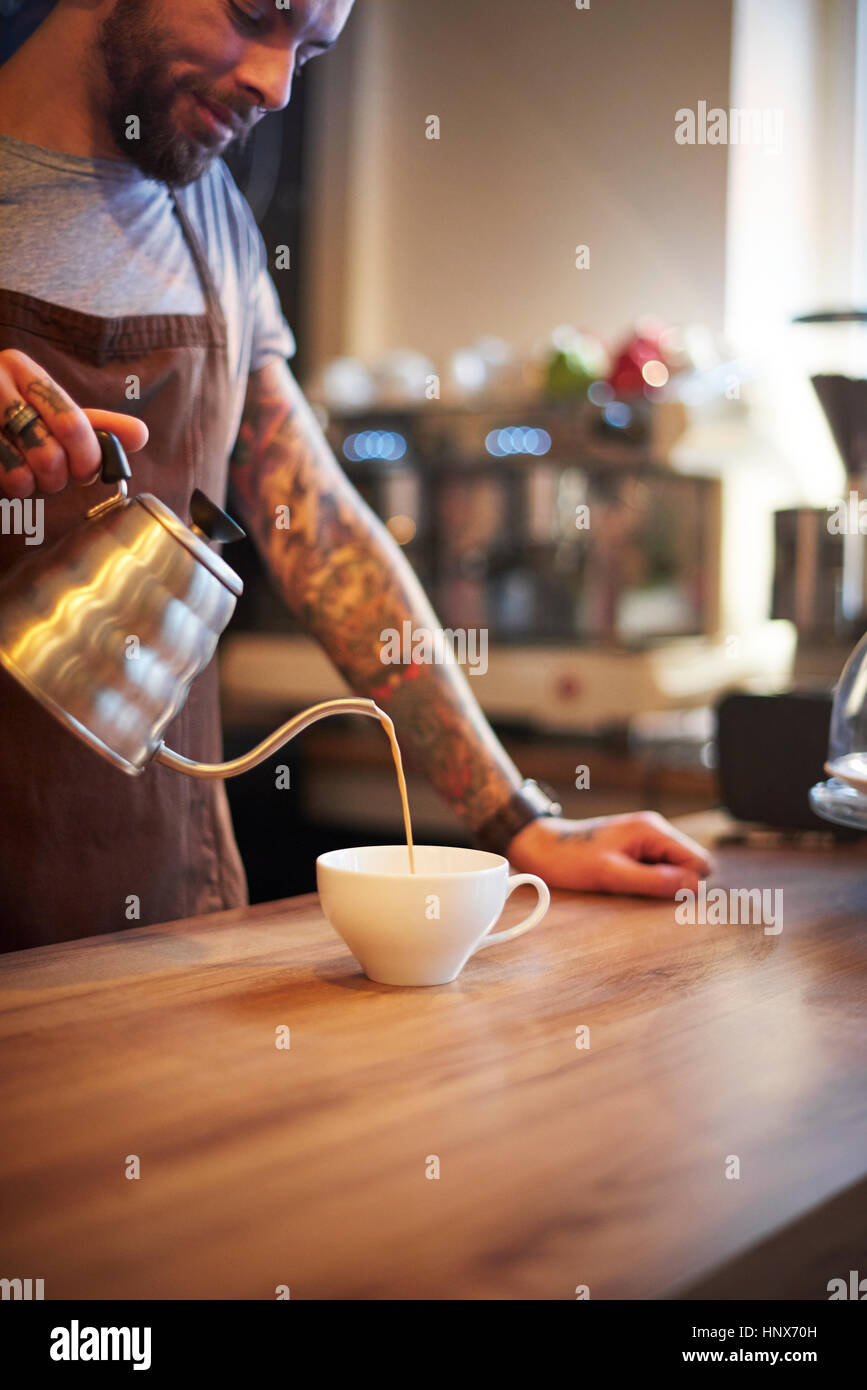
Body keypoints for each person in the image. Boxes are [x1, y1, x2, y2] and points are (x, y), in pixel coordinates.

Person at [0, 0, 712, 951]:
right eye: (255, 13)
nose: (274, 85)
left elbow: (318, 528)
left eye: (309, 53)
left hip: (165, 911)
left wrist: (518, 821)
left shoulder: (211, 217)